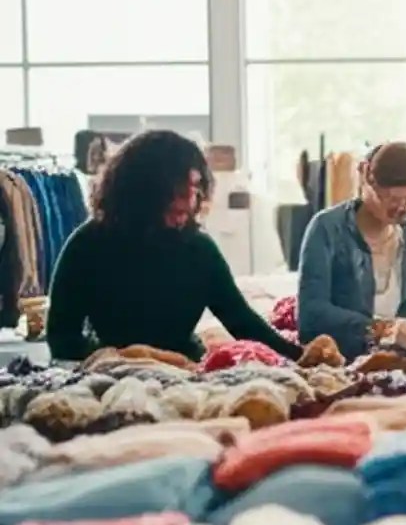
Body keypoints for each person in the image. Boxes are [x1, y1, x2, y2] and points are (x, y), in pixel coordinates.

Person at [47, 130, 306, 363]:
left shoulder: (198, 249)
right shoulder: (88, 245)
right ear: (144, 190)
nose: (190, 201)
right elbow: (61, 337)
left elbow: (242, 321)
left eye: (195, 190)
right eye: (178, 197)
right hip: (111, 371)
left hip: (186, 370)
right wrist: (118, 359)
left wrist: (300, 357)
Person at [297, 141, 406, 360]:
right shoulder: (327, 228)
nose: (401, 208)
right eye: (393, 199)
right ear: (368, 180)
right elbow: (311, 315)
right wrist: (378, 328)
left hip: (400, 363)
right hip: (341, 361)